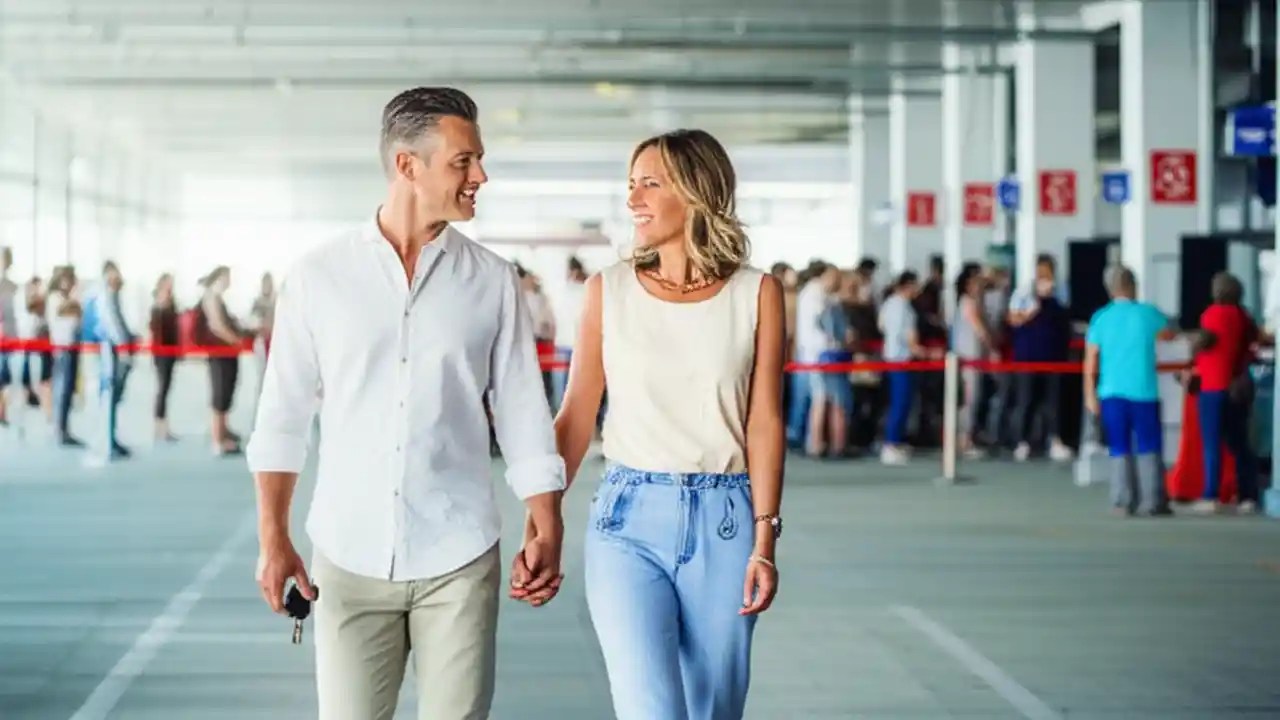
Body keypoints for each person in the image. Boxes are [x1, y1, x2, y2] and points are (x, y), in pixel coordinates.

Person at [246, 86, 566, 720]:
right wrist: (272, 536)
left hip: (460, 552)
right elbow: (281, 417)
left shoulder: (493, 281)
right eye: (464, 161)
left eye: (479, 160)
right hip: (347, 554)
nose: (481, 175)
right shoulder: (318, 277)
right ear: (407, 165)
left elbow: (525, 413)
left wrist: (547, 516)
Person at [536, 128, 784, 720]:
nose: (633, 200)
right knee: (650, 709)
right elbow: (575, 418)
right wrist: (543, 518)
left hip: (726, 522)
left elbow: (765, 421)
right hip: (627, 518)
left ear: (697, 191)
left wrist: (765, 540)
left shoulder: (758, 293)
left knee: (713, 709)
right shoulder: (607, 291)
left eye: (650, 183)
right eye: (630, 185)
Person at [1083, 266, 1174, 517]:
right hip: (1144, 391)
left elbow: (1091, 361)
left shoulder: (1100, 318)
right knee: (1149, 446)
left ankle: (1122, 500)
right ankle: (1152, 500)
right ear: (1133, 285)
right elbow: (1169, 336)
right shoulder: (1149, 314)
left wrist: (1090, 396)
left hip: (1111, 392)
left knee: (1119, 447)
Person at [1191, 271, 1260, 514]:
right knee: (1240, 443)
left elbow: (1202, 343)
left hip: (1212, 386)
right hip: (1237, 388)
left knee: (1212, 443)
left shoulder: (1212, 314)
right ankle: (1248, 495)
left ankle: (1212, 494)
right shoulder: (1244, 317)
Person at [878, 270, 923, 465]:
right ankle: (891, 443)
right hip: (902, 359)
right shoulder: (905, 307)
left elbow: (881, 326)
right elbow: (910, 336)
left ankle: (895, 441)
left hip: (890, 356)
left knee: (897, 402)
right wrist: (924, 352)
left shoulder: (889, 303)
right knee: (901, 403)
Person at [150, 273, 180, 442]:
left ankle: (164, 426)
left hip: (171, 352)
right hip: (161, 354)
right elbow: (156, 332)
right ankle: (159, 427)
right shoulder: (158, 306)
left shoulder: (172, 304)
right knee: (162, 389)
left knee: (166, 389)